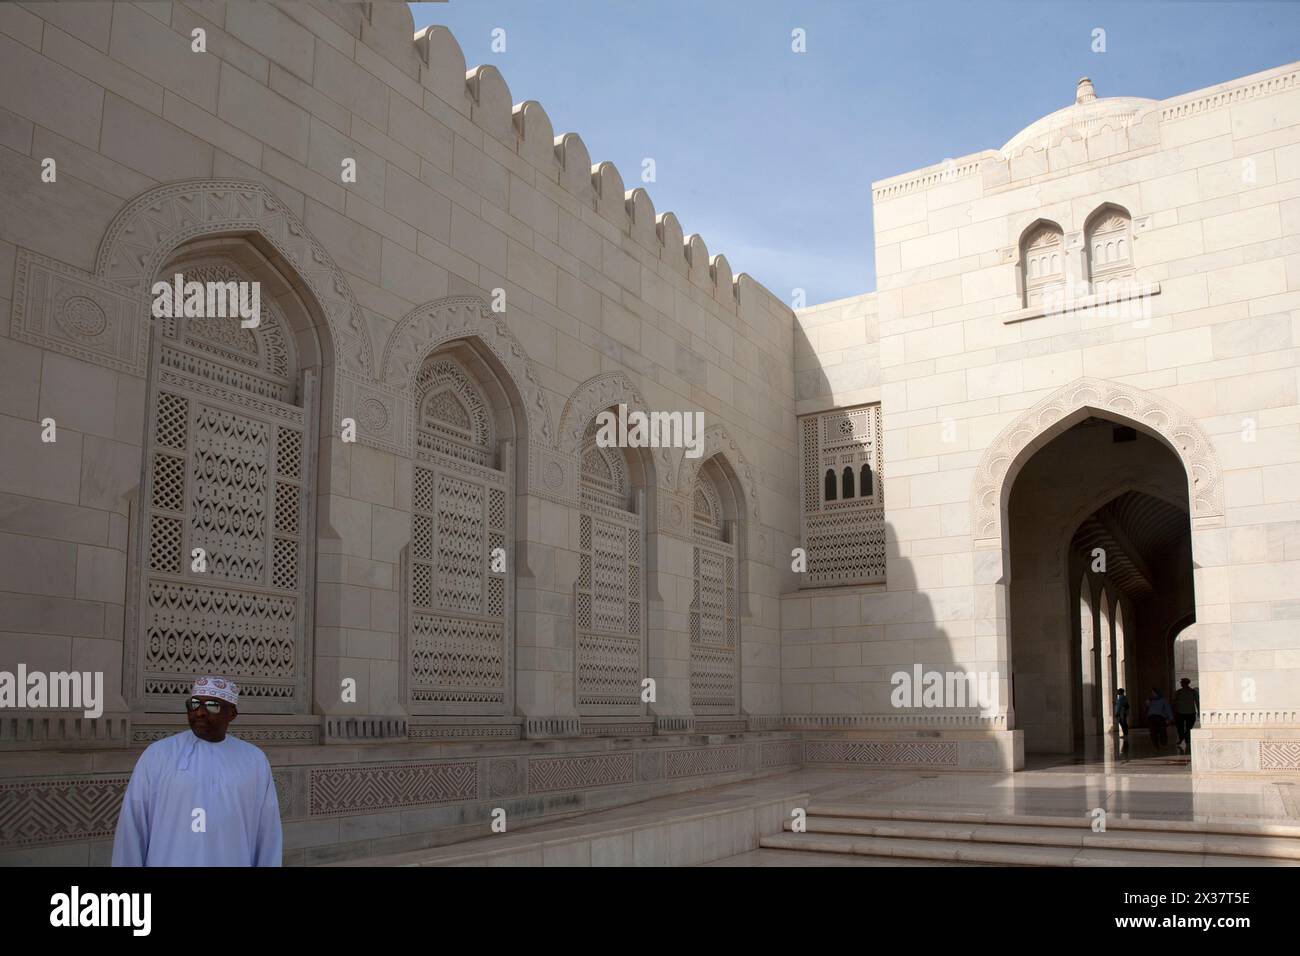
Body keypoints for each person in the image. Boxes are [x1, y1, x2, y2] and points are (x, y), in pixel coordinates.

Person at [112, 676, 282, 867]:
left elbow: (268, 832)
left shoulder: (254, 760)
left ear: (232, 713)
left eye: (212, 705)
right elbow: (132, 826)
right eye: (194, 704)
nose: (200, 712)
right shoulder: (158, 755)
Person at [1172, 677, 1200, 753]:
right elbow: (1174, 703)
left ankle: (1184, 739)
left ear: (1185, 683)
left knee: (1186, 728)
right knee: (1183, 728)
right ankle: (1184, 739)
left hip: (1187, 713)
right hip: (1183, 713)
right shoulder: (1180, 692)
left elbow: (1197, 702)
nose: (1181, 684)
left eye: (1182, 683)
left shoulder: (1191, 692)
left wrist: (1199, 711)